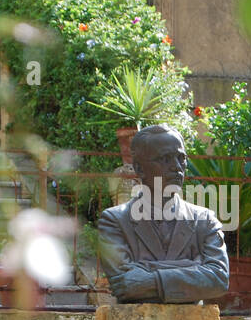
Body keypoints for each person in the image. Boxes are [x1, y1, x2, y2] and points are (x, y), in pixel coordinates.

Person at [96, 124, 229, 303]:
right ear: (139, 168)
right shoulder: (115, 221)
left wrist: (151, 279)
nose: (176, 167)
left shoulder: (204, 220)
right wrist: (192, 269)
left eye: (181, 158)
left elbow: (218, 279)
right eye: (165, 159)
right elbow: (125, 284)